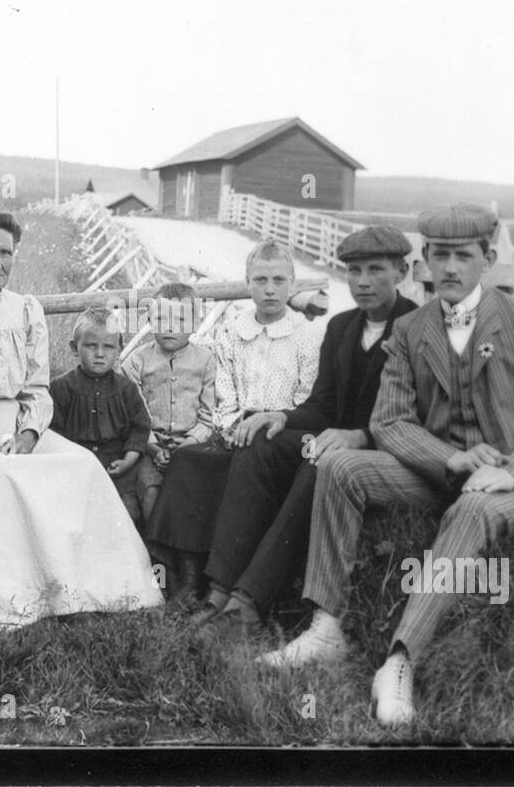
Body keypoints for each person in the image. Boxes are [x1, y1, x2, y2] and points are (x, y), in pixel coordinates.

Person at [258, 204, 514, 729]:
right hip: (439, 474)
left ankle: (398, 662)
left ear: (487, 259)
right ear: (425, 260)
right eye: (440, 256)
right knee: (340, 467)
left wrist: (511, 472)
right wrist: (450, 458)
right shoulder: (410, 329)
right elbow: (388, 421)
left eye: (463, 256)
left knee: (472, 510)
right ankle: (326, 626)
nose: (450, 268)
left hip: (508, 485)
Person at [0, 210, 163, 630]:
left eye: (5, 253)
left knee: (81, 466)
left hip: (14, 424)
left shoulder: (26, 311)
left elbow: (37, 391)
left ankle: (83, 591)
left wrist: (27, 433)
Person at [196, 226, 419, 632]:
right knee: (260, 442)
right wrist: (282, 417)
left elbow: (420, 414)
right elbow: (322, 406)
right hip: (332, 436)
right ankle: (218, 587)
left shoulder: (416, 327)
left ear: (401, 271)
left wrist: (361, 436)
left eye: (375, 270)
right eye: (353, 271)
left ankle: (248, 602)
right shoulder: (342, 327)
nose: (363, 281)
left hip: (385, 452)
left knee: (319, 459)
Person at [145, 241, 323, 595]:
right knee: (188, 460)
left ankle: (220, 581)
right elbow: (224, 396)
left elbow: (308, 397)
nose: (269, 289)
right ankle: (185, 572)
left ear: (292, 283)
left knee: (242, 464)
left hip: (281, 434)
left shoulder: (307, 336)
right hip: (236, 432)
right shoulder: (232, 332)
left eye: (278, 280)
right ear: (247, 282)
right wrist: (230, 428)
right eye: (260, 280)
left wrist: (271, 423)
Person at [120, 282, 217, 599]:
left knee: (192, 492)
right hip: (150, 446)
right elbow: (133, 416)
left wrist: (189, 443)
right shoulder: (136, 362)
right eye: (160, 320)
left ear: (195, 322)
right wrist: (153, 447)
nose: (169, 328)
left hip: (193, 446)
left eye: (180, 321)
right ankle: (162, 569)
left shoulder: (205, 361)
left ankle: (192, 570)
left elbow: (209, 415)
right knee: (151, 492)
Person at [49, 307, 152, 523]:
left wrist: (127, 461)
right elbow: (53, 434)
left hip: (117, 467)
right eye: (90, 346)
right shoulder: (61, 388)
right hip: (75, 467)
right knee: (73, 516)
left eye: (108, 347)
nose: (99, 353)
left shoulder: (126, 388)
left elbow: (139, 428)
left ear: (119, 349)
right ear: (74, 348)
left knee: (126, 513)